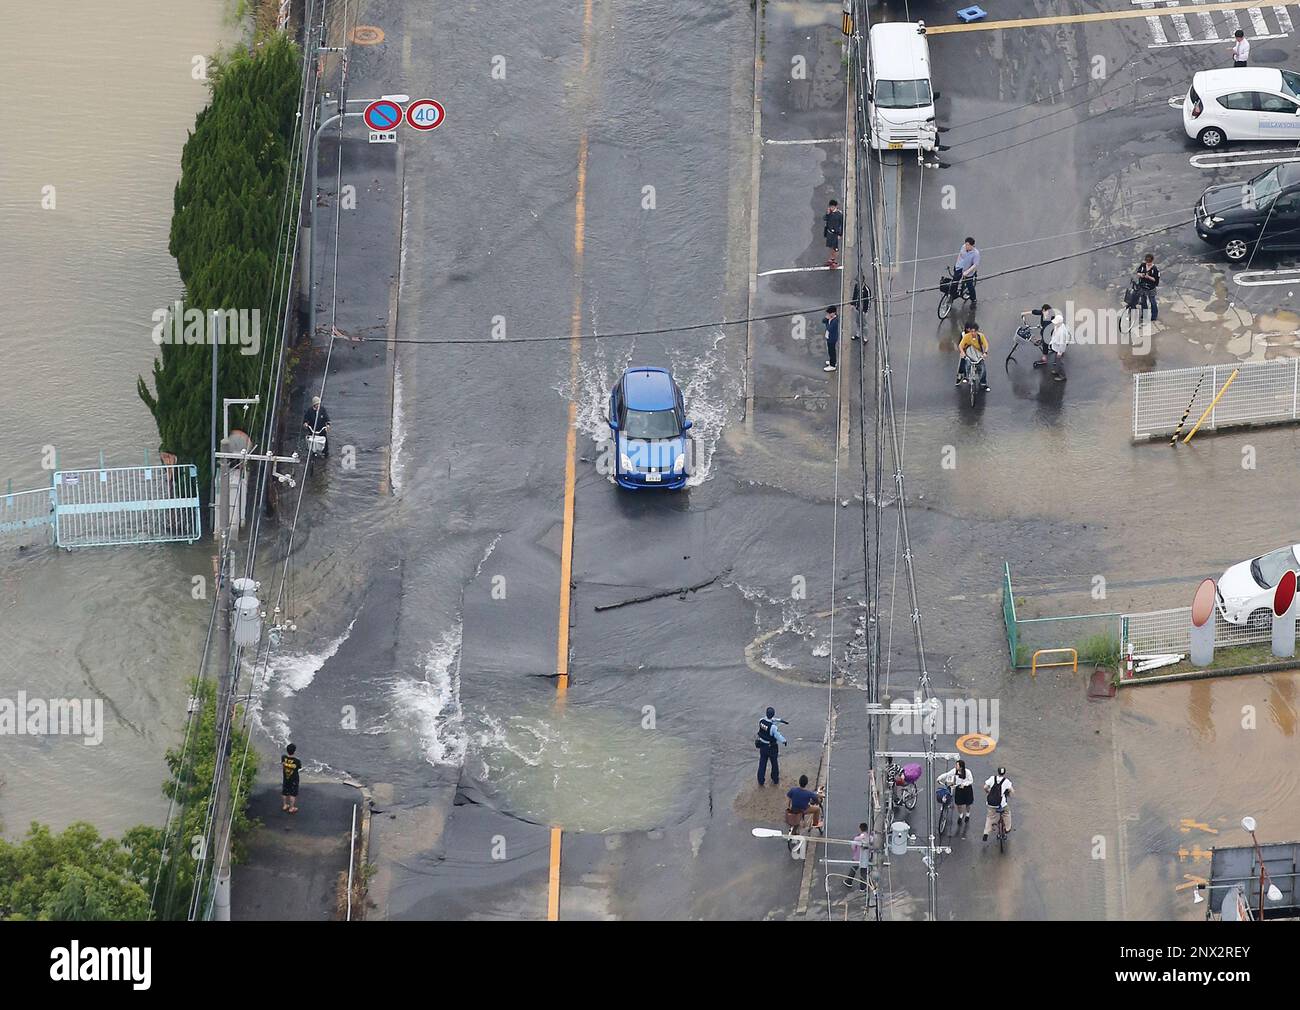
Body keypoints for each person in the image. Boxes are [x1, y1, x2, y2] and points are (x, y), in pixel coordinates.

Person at [936, 759, 976, 830]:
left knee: (968, 803)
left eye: (957, 765)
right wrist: (940, 777)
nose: (955, 766)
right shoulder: (955, 771)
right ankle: (961, 814)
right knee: (958, 804)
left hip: (967, 789)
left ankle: (967, 814)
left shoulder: (967, 772)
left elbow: (971, 780)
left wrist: (964, 784)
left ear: (961, 767)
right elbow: (947, 774)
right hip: (958, 789)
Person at [755, 706, 787, 786]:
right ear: (773, 714)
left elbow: (770, 720)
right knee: (774, 764)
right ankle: (775, 779)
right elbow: (777, 736)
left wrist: (780, 720)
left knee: (762, 764)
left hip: (762, 746)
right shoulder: (773, 727)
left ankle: (760, 781)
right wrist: (784, 741)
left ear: (766, 713)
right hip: (771, 747)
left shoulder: (761, 721)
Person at [955, 321, 989, 391]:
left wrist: (985, 352)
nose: (972, 333)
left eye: (974, 331)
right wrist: (962, 353)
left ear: (977, 331)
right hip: (967, 353)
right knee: (965, 365)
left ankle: (983, 383)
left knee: (982, 369)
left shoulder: (981, 336)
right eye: (971, 331)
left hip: (977, 354)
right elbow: (960, 345)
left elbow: (986, 345)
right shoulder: (966, 336)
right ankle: (964, 377)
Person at [982, 766, 1013, 841]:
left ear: (998, 772)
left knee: (990, 817)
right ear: (1004, 773)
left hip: (991, 803)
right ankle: (1007, 828)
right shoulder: (1006, 781)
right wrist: (1009, 794)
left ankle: (986, 832)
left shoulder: (992, 778)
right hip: (1001, 804)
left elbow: (985, 787)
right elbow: (1012, 791)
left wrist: (988, 792)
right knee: (1007, 813)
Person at [1036, 312, 1071, 380]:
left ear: (1059, 323)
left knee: (1059, 362)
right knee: (1056, 360)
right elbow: (1054, 335)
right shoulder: (1058, 326)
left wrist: (1060, 352)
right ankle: (1056, 370)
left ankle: (1062, 376)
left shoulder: (1062, 332)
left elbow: (1062, 344)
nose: (1054, 323)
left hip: (1059, 349)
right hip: (1056, 347)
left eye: (1055, 322)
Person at [845, 822, 871, 890]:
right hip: (865, 858)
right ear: (867, 829)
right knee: (863, 872)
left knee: (853, 869)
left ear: (860, 829)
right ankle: (863, 887)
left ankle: (849, 881)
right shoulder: (870, 838)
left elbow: (853, 848)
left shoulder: (857, 838)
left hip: (856, 857)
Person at [953, 237, 980, 304]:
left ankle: (973, 299)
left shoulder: (976, 253)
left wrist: (967, 272)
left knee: (969, 285)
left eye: (968, 245)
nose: (966, 246)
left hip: (968, 271)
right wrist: (957, 264)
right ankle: (953, 295)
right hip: (960, 267)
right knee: (954, 281)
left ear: (972, 245)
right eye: (966, 244)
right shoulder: (963, 247)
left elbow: (975, 265)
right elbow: (960, 254)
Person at [1136, 253, 1160, 322]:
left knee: (1152, 301)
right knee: (1143, 301)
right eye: (1147, 262)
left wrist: (1148, 277)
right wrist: (1141, 275)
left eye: (1149, 263)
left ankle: (1154, 316)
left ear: (1152, 261)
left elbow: (1156, 280)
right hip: (1143, 286)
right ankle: (1144, 314)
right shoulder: (1143, 265)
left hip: (1151, 287)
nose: (1148, 264)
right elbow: (1138, 272)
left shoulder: (1155, 269)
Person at [281, 742, 302, 813]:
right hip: (294, 779)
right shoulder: (297, 761)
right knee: (293, 793)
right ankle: (291, 808)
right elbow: (299, 767)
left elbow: (283, 764)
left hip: (286, 778)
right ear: (294, 751)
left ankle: (284, 805)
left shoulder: (283, 757)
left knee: (285, 791)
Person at [824, 199, 845, 269]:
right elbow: (825, 219)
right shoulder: (829, 213)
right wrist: (827, 214)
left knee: (835, 248)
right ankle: (831, 259)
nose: (831, 208)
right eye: (830, 207)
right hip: (829, 233)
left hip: (835, 234)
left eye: (832, 207)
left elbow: (842, 225)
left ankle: (834, 261)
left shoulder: (839, 214)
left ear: (836, 206)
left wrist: (840, 234)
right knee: (831, 247)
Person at [823, 305, 840, 372]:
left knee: (831, 351)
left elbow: (829, 328)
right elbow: (823, 321)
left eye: (829, 313)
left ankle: (832, 365)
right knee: (831, 351)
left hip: (832, 338)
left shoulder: (835, 321)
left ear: (833, 313)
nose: (828, 314)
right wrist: (827, 319)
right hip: (829, 337)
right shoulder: (831, 318)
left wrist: (827, 319)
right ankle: (832, 361)